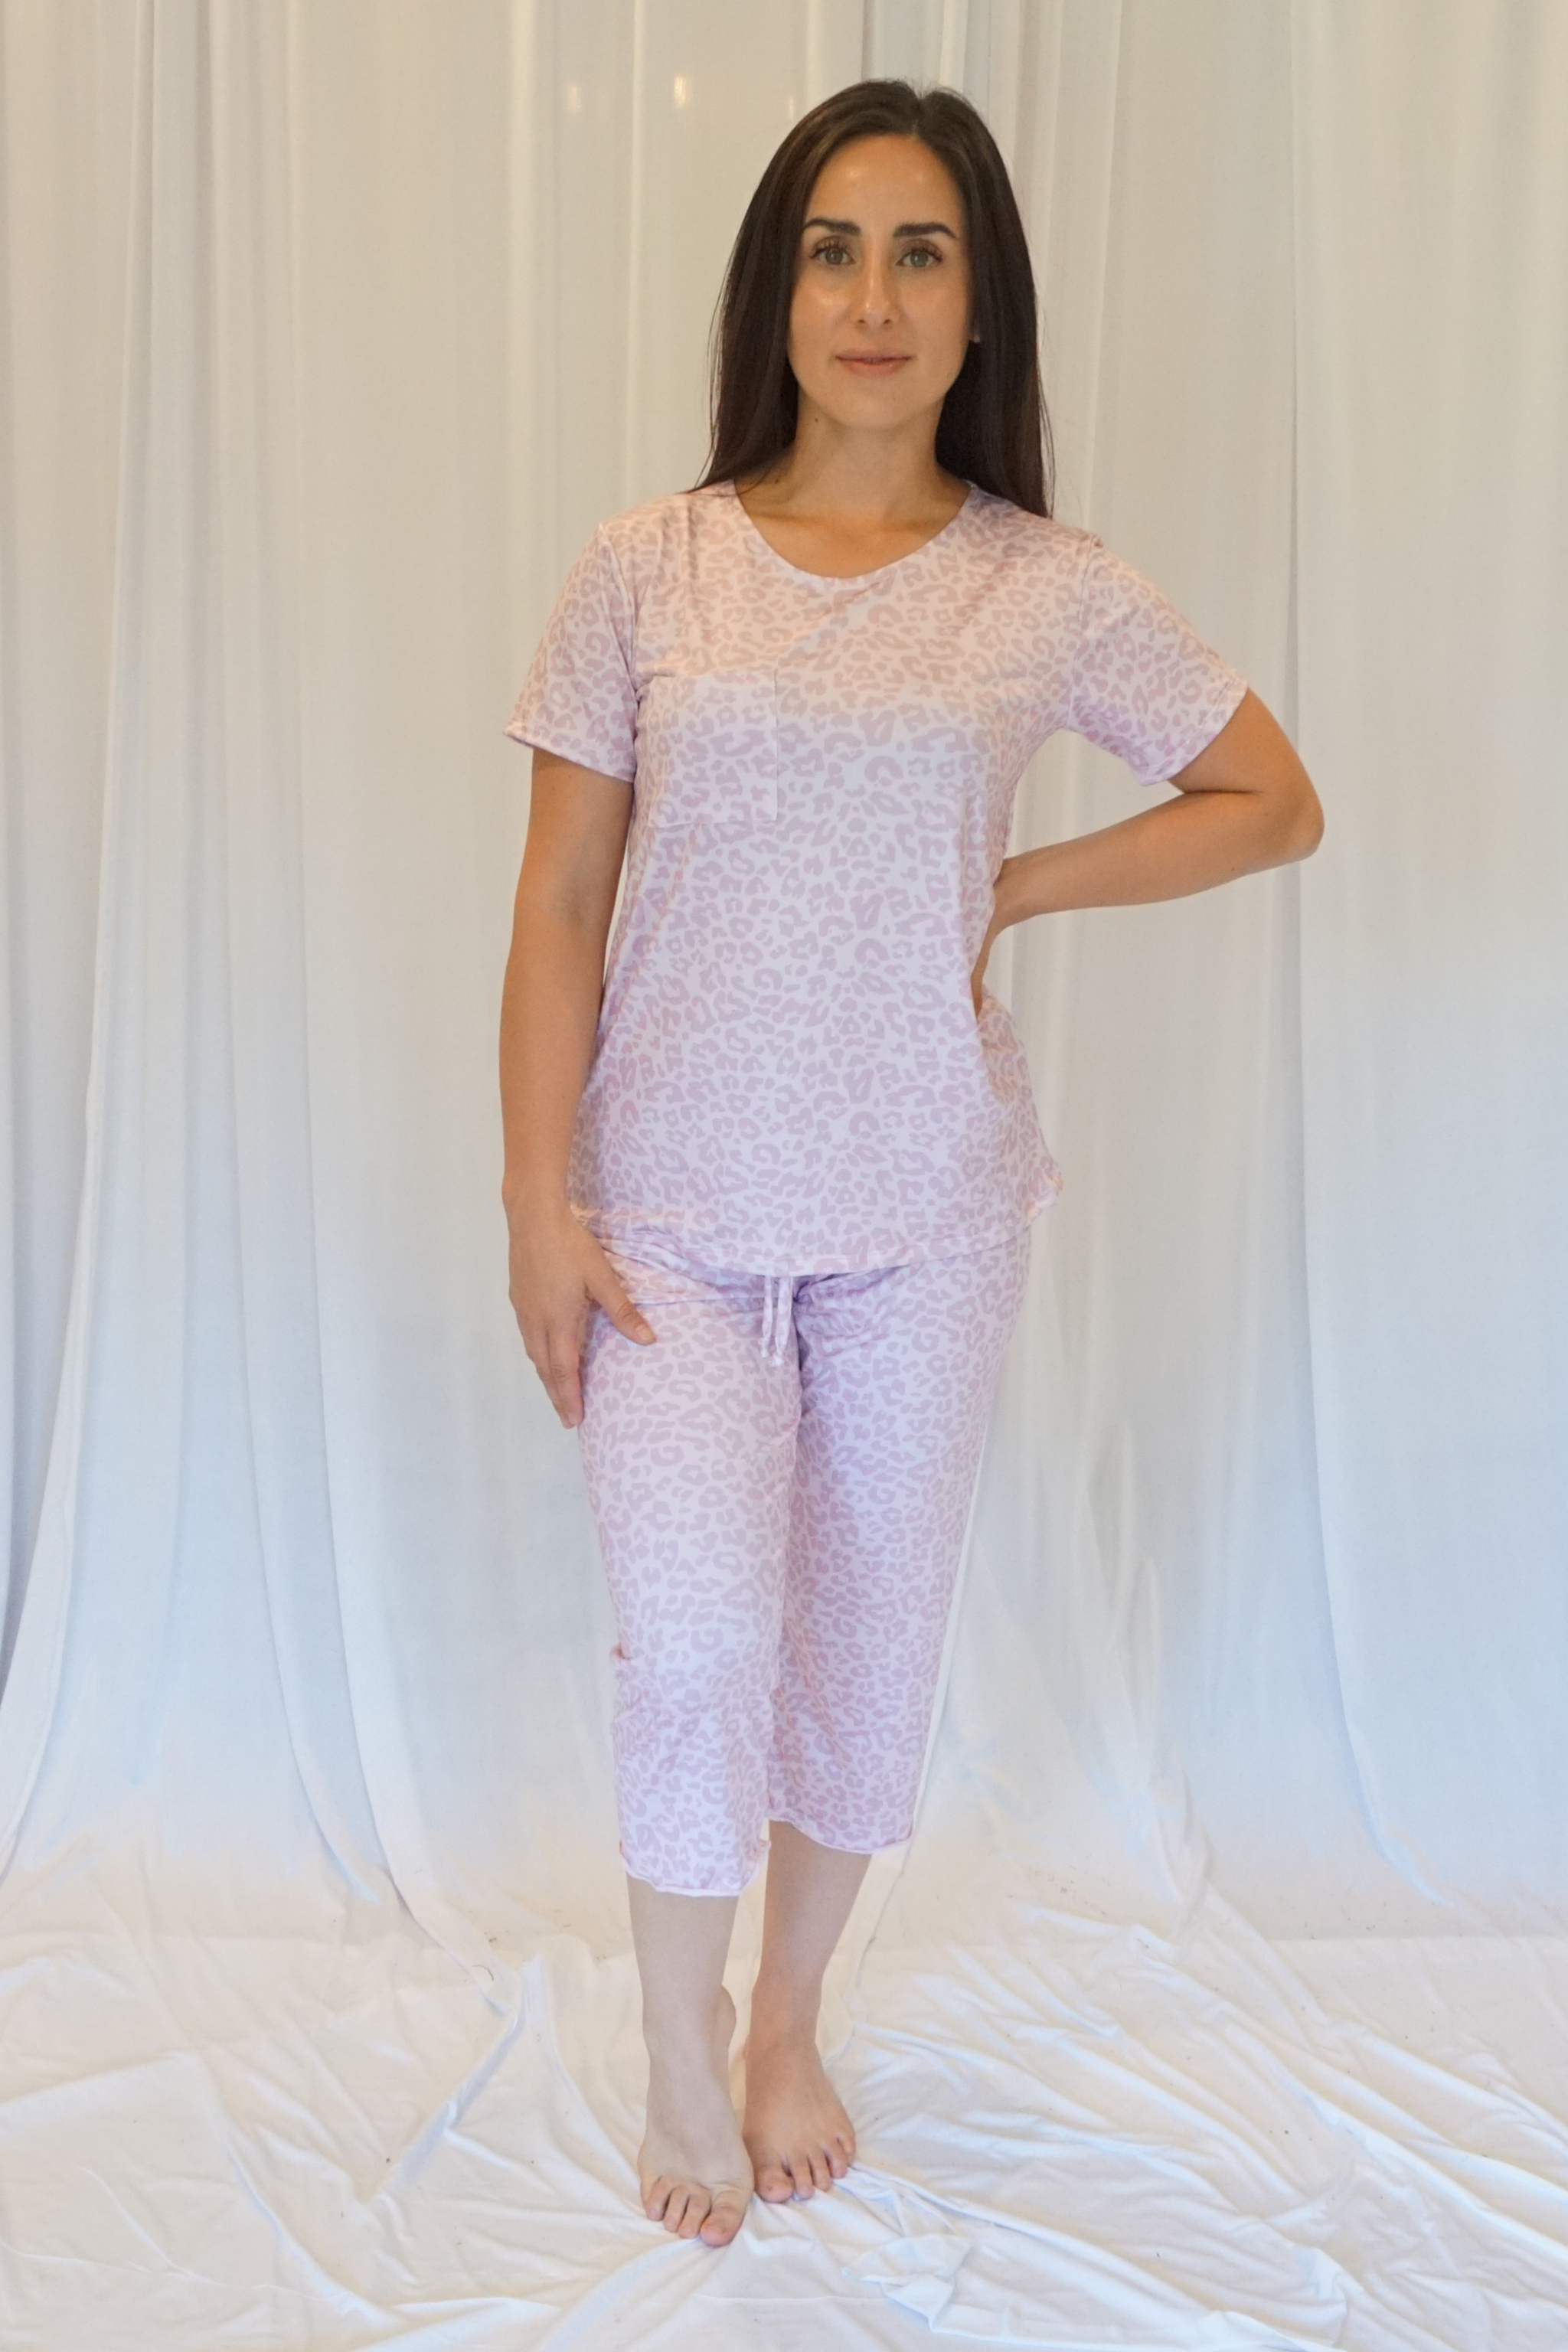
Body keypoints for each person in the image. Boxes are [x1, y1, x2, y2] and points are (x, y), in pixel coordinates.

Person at [498, 78, 1321, 2249]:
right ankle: (677, 2043)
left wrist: (1020, 883)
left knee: (868, 1639)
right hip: (667, 1217)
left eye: (922, 252)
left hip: (928, 1214)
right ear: (777, 292)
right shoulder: (646, 569)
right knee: (695, 1642)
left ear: (978, 307)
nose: (874, 296)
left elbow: (1271, 797)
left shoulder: (1046, 589)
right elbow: (559, 905)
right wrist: (533, 1207)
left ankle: (787, 2018)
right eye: (834, 248)